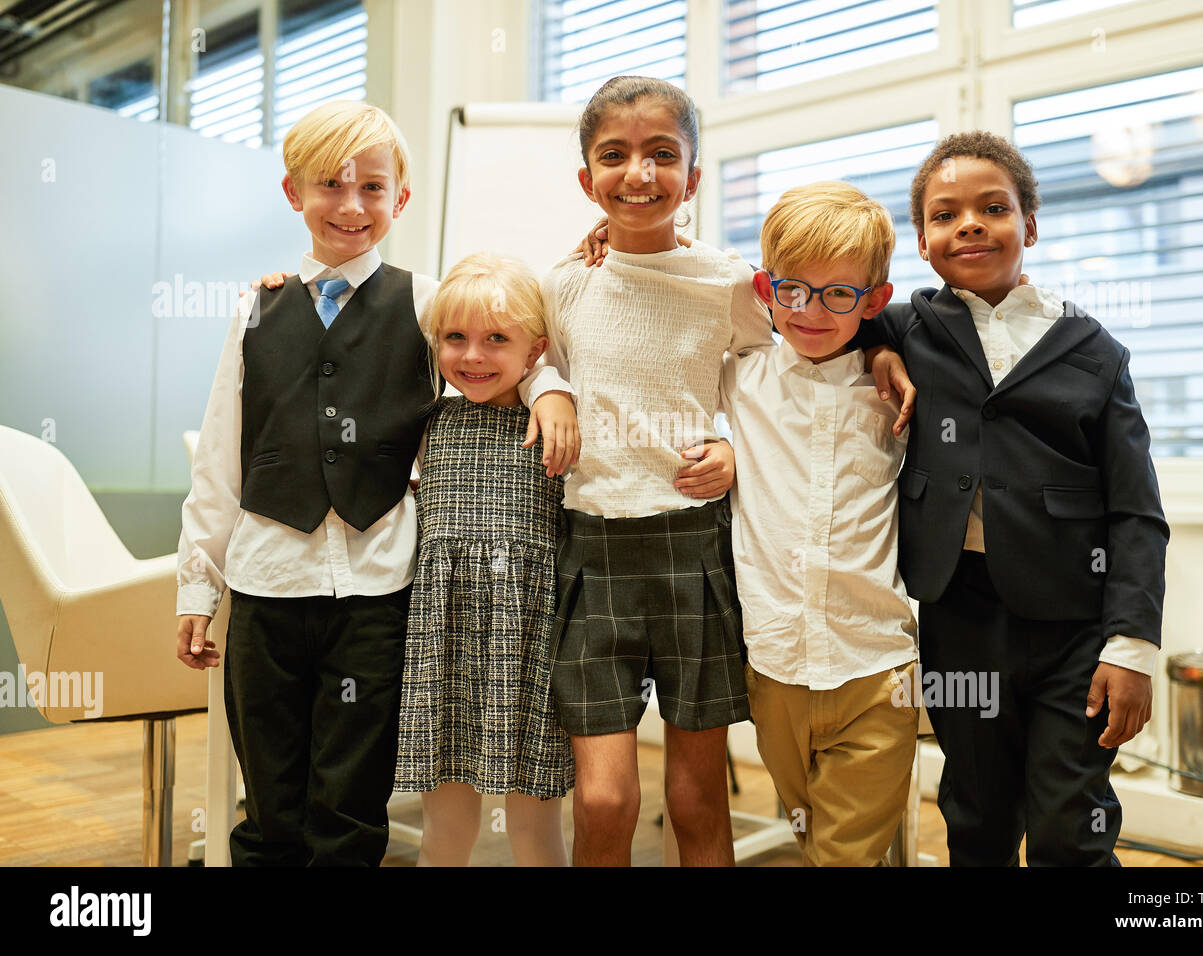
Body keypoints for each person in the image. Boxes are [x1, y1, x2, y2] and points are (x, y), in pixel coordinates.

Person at [175, 101, 578, 867]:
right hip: (267, 585)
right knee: (267, 806)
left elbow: (502, 350)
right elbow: (221, 461)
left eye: (373, 188)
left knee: (351, 808)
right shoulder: (253, 308)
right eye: (331, 185)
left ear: (402, 200)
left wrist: (551, 387)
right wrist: (200, 587)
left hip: (377, 591)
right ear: (294, 194)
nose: (352, 206)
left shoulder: (429, 303)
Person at [853, 130, 1168, 866]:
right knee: (975, 815)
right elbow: (812, 310)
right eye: (944, 214)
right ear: (923, 244)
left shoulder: (1093, 350)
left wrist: (1132, 648)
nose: (969, 224)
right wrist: (878, 347)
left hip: (1073, 630)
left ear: (1029, 224)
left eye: (992, 208)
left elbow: (1137, 512)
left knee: (1070, 825)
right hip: (959, 616)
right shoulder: (908, 324)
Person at [542, 75, 772, 866]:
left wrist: (739, 452)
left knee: (696, 796)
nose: (638, 174)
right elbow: (538, 361)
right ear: (587, 180)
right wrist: (555, 391)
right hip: (592, 546)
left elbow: (780, 390)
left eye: (661, 155)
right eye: (615, 155)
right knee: (604, 798)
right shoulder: (567, 280)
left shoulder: (731, 284)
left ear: (693, 179)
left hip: (692, 544)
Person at [721, 181, 919, 866]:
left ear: (873, 303)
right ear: (765, 288)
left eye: (838, 294)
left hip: (877, 670)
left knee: (843, 855)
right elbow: (669, 284)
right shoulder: (738, 379)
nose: (809, 311)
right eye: (792, 290)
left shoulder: (899, 392)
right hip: (773, 667)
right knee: (811, 837)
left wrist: (889, 347)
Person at [394, 253, 573, 867]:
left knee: (534, 819)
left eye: (497, 339)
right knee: (443, 821)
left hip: (528, 639)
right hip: (442, 639)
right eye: (455, 338)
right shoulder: (428, 424)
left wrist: (550, 388)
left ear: (535, 350)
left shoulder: (555, 422)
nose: (473, 355)